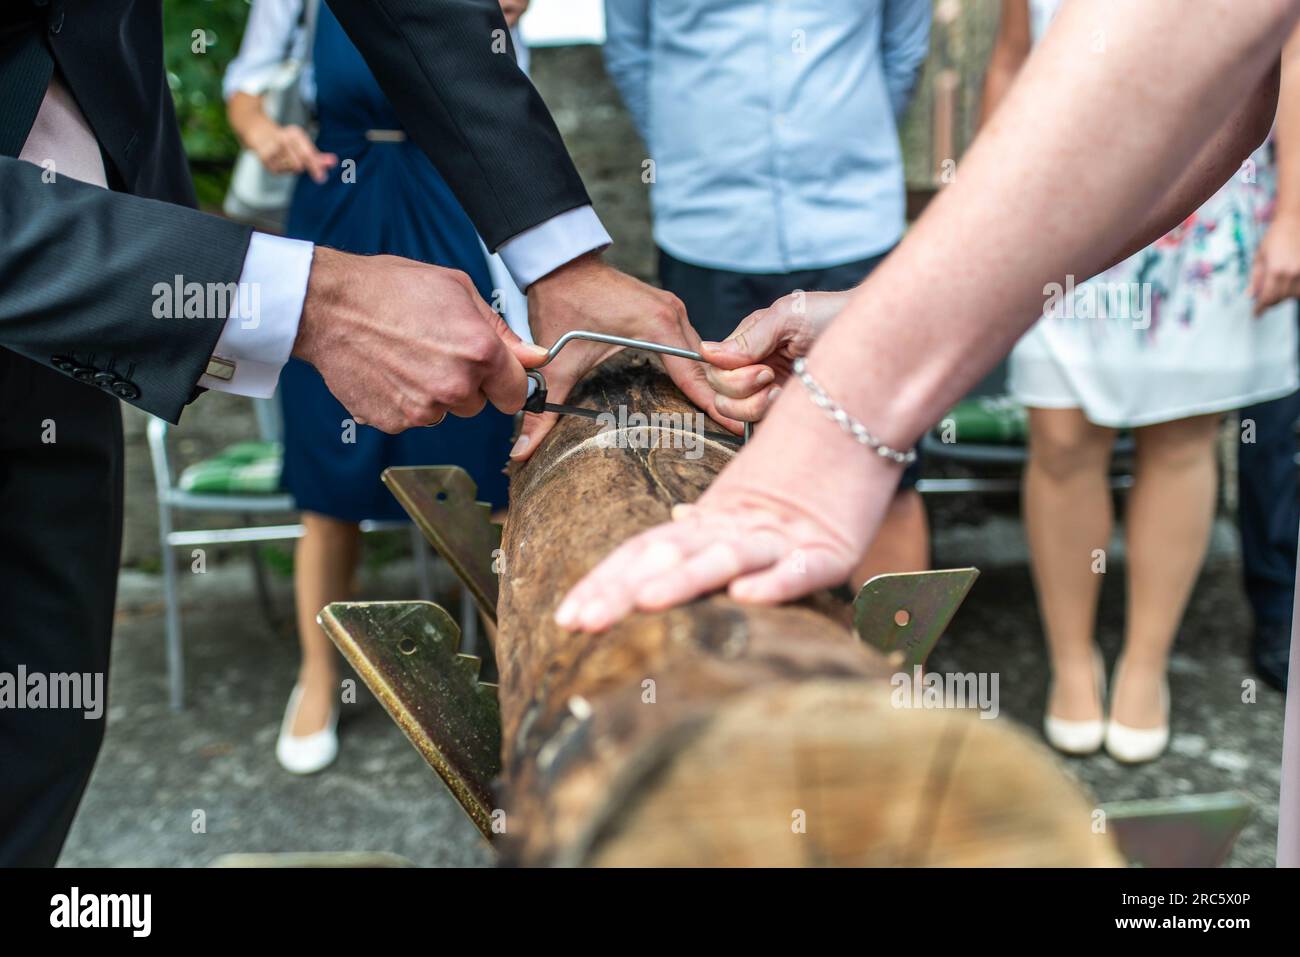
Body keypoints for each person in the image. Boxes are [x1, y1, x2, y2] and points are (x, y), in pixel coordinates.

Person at [0, 0, 728, 866]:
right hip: (236, 252)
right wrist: (314, 299)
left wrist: (558, 256)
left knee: (36, 747)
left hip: (71, 345)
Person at [974, 0, 1300, 762]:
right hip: (1059, 211)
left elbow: (1290, 58)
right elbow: (1011, 59)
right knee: (1059, 436)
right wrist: (987, 207)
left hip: (1209, 210)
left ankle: (1145, 664)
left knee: (1184, 436)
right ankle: (1071, 661)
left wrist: (1293, 216)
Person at [224, 0, 531, 773]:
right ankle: (320, 677)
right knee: (329, 480)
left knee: (486, 479)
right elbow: (245, 90)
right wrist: (268, 136)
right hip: (337, 210)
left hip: (452, 199)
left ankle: (527, 691)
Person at [602, 0, 932, 584]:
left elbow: (903, 49)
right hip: (707, 232)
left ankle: (895, 674)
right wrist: (699, 153)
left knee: (882, 465)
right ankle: (746, 663)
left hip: (853, 222)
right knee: (709, 456)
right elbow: (631, 54)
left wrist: (842, 143)